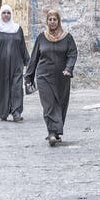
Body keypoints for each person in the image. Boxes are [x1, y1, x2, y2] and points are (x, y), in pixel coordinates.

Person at [24, 9, 77, 146]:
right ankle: (52, 132)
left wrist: (68, 69)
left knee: (60, 104)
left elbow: (72, 54)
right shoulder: (42, 38)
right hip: (43, 76)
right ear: (47, 21)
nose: (52, 22)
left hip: (62, 77)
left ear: (59, 21)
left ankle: (57, 132)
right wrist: (28, 77)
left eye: (55, 19)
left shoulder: (67, 37)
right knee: (49, 105)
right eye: (50, 19)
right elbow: (34, 58)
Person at [0, 4, 30, 123]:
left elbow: (22, 46)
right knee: (2, 89)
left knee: (17, 88)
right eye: (4, 13)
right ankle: (3, 112)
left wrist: (28, 62)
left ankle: (16, 112)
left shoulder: (17, 28)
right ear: (1, 14)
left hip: (16, 64)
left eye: (8, 13)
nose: (6, 15)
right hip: (0, 65)